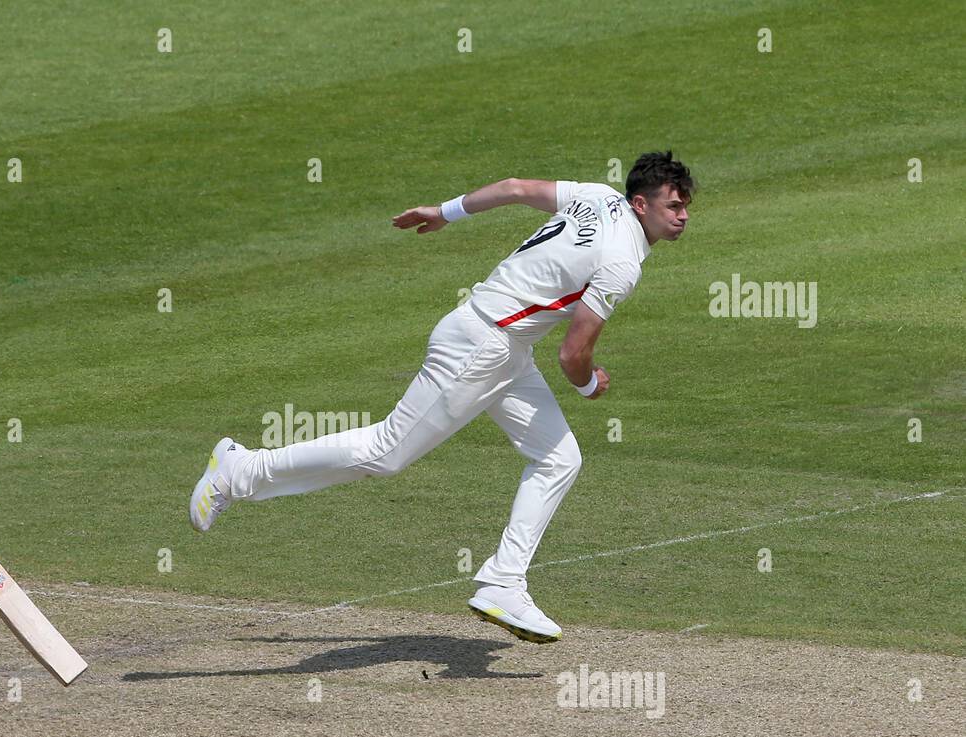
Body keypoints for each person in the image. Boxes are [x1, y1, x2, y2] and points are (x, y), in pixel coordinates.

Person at [188, 152, 694, 642]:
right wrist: (589, 384)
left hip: (503, 346)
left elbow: (516, 188)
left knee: (559, 458)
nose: (683, 216)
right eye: (674, 205)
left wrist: (444, 211)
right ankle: (241, 469)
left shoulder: (595, 195)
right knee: (384, 453)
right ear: (640, 204)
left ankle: (503, 582)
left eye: (686, 205)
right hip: (483, 346)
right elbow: (572, 354)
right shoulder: (623, 262)